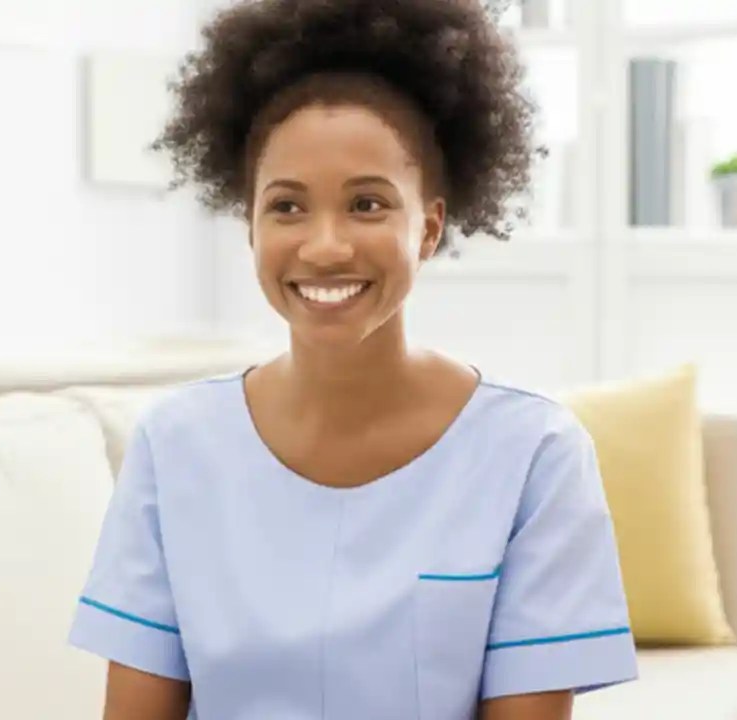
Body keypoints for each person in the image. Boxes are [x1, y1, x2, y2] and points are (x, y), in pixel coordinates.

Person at [68, 1, 638, 718]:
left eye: (367, 205)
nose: (325, 245)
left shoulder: (533, 454)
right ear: (249, 221)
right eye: (287, 207)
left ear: (427, 228)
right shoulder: (174, 445)